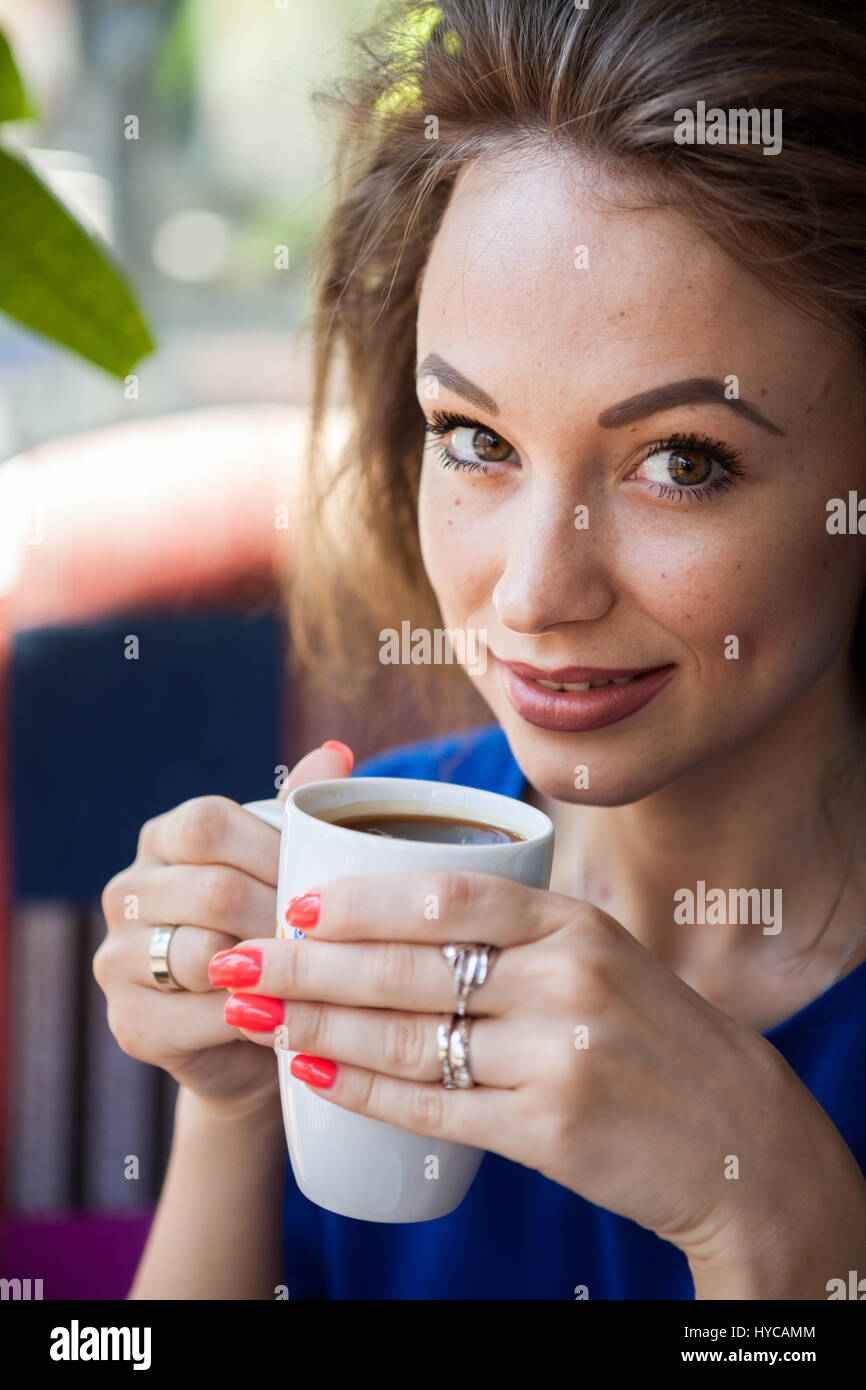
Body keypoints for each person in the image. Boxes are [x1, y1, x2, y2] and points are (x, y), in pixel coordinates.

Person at [96, 0, 866, 1299]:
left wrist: (783, 1230)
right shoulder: (361, 878)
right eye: (475, 439)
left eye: (682, 461)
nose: (531, 589)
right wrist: (231, 1107)